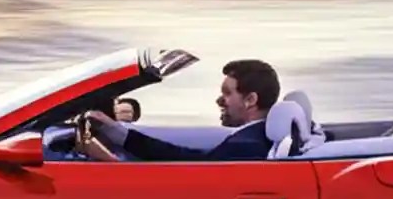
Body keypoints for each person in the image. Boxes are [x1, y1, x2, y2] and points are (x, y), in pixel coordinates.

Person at [76, 59, 279, 162]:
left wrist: (109, 162)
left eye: (227, 94)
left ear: (250, 100)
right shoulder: (252, 138)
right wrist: (116, 131)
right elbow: (187, 156)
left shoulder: (247, 146)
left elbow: (193, 172)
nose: (219, 101)